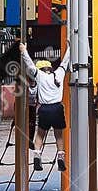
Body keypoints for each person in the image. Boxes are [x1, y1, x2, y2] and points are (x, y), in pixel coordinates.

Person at [17, 41, 66, 172]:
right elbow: (65, 62)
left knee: (40, 134)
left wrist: (23, 51)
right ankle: (60, 157)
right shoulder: (59, 74)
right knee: (59, 135)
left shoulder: (39, 76)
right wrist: (71, 48)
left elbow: (29, 64)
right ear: (50, 68)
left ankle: (37, 156)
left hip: (44, 109)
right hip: (57, 108)